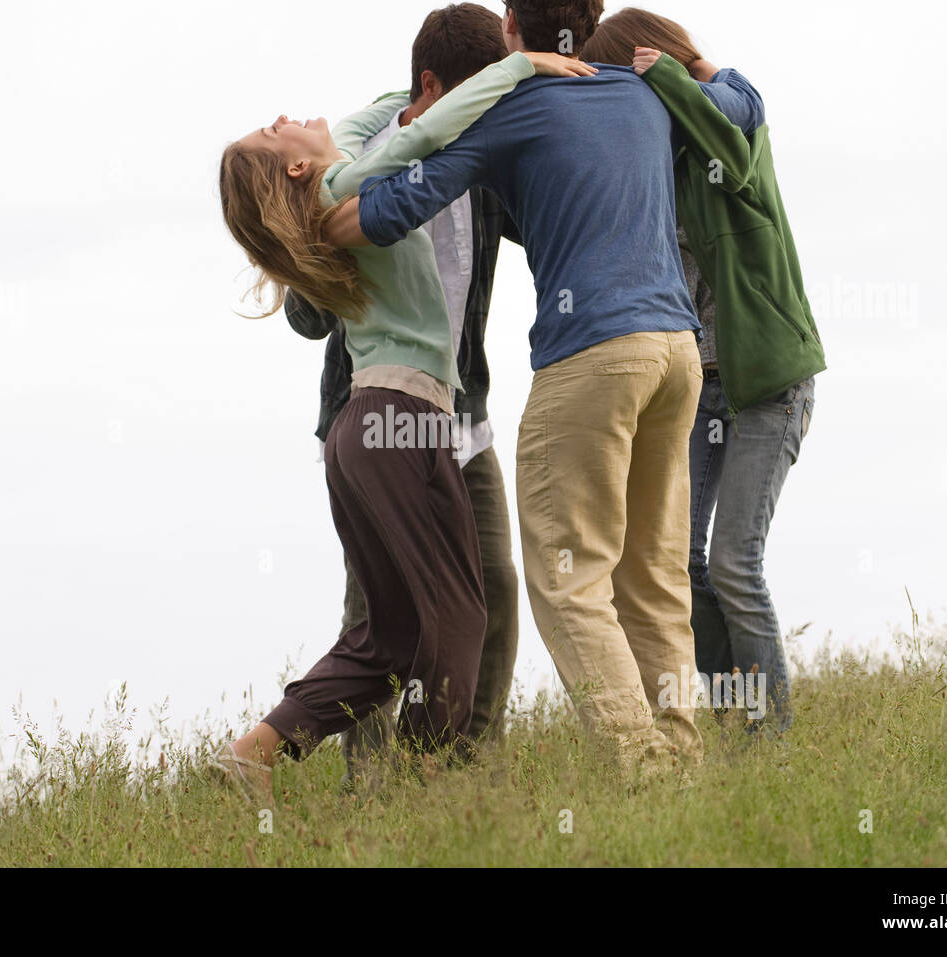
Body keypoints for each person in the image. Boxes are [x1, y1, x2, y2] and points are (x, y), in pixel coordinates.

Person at [325, 0, 763, 774]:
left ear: (510, 32)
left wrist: (324, 225)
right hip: (678, 355)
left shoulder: (513, 106)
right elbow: (740, 103)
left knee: (569, 578)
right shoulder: (644, 91)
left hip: (593, 358)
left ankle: (640, 763)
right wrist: (696, 67)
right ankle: (682, 756)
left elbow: (401, 202)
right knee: (656, 574)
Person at [216, 48, 596, 795]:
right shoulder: (348, 183)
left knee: (385, 637)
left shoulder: (338, 169)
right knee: (456, 617)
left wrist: (424, 93)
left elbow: (387, 120)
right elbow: (419, 138)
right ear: (295, 170)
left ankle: (255, 751)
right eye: (274, 130)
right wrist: (519, 65)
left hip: (368, 430)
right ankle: (424, 787)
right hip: (406, 421)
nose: (287, 116)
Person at [283, 3, 524, 785]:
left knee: (494, 584)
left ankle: (462, 772)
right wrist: (322, 246)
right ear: (431, 85)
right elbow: (305, 316)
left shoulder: (483, 161)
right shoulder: (370, 158)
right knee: (381, 615)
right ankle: (371, 788)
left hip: (463, 417)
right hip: (379, 414)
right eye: (474, 93)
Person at [582, 9, 827, 736]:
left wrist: (665, 74)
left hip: (768, 382)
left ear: (647, 62)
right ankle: (732, 720)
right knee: (680, 562)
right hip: (702, 385)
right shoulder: (666, 156)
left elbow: (731, 131)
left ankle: (771, 740)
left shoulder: (732, 113)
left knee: (732, 562)